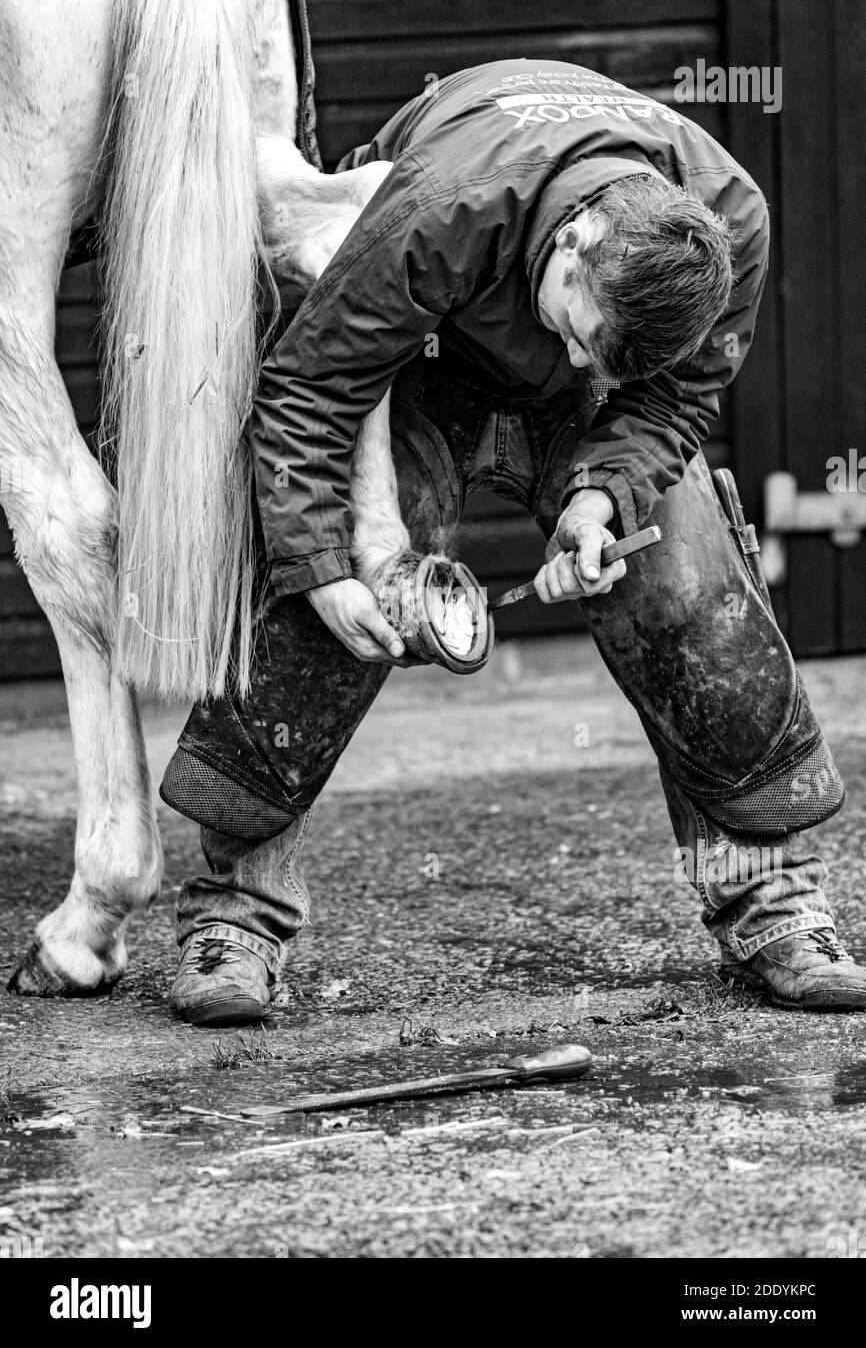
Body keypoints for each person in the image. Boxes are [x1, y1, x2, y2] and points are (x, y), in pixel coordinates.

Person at [160, 59, 865, 1024]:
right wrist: (323, 564)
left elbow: (674, 397)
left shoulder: (729, 222)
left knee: (689, 590)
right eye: (581, 331)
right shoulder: (441, 204)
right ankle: (232, 918)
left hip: (598, 412)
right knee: (323, 597)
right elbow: (313, 388)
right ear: (576, 244)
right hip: (421, 359)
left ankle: (772, 904)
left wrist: (601, 499)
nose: (574, 355)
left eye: (595, 348)